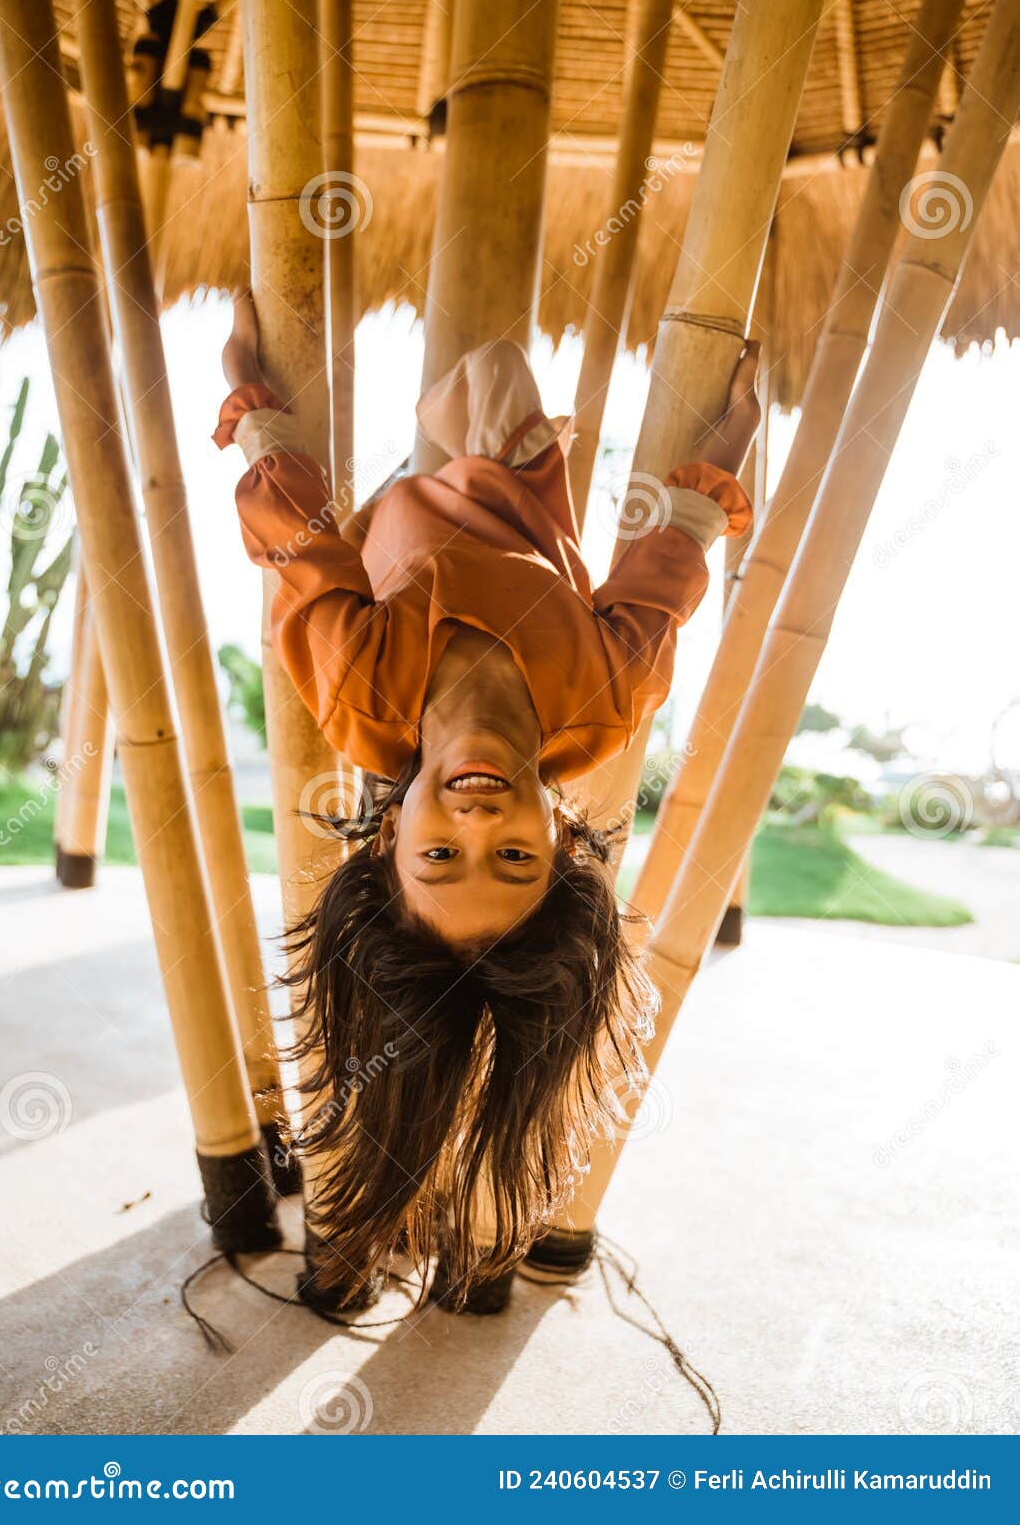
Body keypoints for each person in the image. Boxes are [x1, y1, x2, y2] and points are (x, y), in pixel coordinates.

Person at [216, 294, 759, 1313]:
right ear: (562, 838)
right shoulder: (604, 700)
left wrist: (245, 387)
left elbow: (290, 531)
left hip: (389, 522)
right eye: (513, 859)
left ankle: (417, 459)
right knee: (498, 362)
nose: (475, 824)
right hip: (523, 502)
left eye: (439, 859)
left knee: (432, 424)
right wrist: (732, 439)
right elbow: (671, 564)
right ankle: (475, 442)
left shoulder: (359, 685)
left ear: (387, 837)